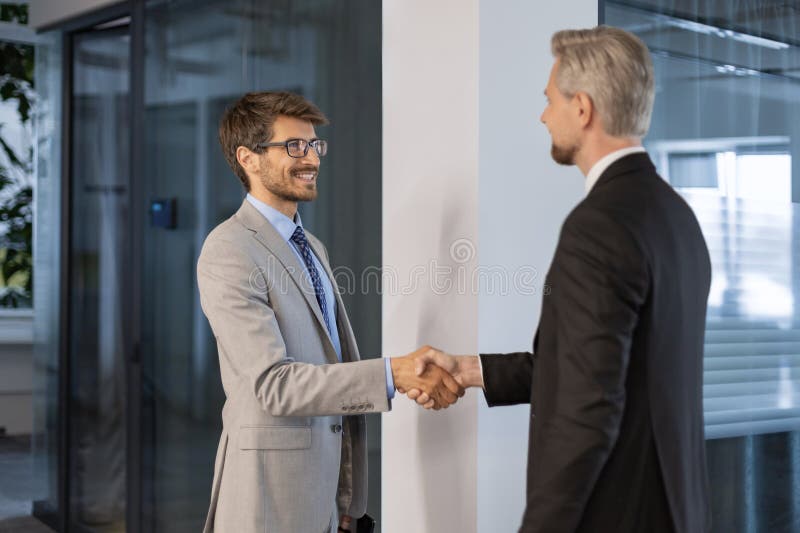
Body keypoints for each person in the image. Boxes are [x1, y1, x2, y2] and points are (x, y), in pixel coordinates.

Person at [412, 27, 712, 533]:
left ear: (583, 109)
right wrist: (468, 369)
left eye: (550, 100)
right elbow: (599, 368)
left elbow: (586, 410)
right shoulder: (676, 215)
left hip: (620, 513)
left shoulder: (598, 226)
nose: (543, 115)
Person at [197, 91, 463, 533]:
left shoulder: (311, 246)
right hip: (268, 500)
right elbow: (273, 384)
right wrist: (394, 373)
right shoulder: (229, 249)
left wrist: (343, 497)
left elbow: (326, 366)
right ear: (248, 157)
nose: (312, 159)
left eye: (315, 145)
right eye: (294, 147)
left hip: (322, 495)